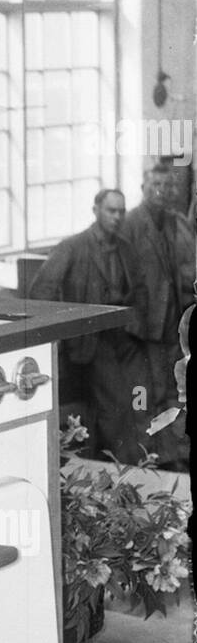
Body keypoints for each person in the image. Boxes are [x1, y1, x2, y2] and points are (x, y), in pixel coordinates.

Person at [30, 189, 150, 463]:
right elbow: (41, 291)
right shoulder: (73, 247)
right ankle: (126, 467)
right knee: (116, 404)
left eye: (121, 211)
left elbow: (140, 289)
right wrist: (62, 332)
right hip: (90, 341)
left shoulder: (126, 248)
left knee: (141, 396)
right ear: (95, 210)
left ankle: (140, 459)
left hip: (125, 338)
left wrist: (136, 323)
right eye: (111, 211)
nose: (117, 217)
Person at [120, 162, 195, 469]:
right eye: (156, 187)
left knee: (171, 391)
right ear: (143, 188)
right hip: (142, 329)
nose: (163, 192)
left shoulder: (178, 223)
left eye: (168, 187)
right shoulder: (129, 225)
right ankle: (144, 455)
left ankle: (170, 455)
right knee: (142, 393)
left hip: (173, 327)